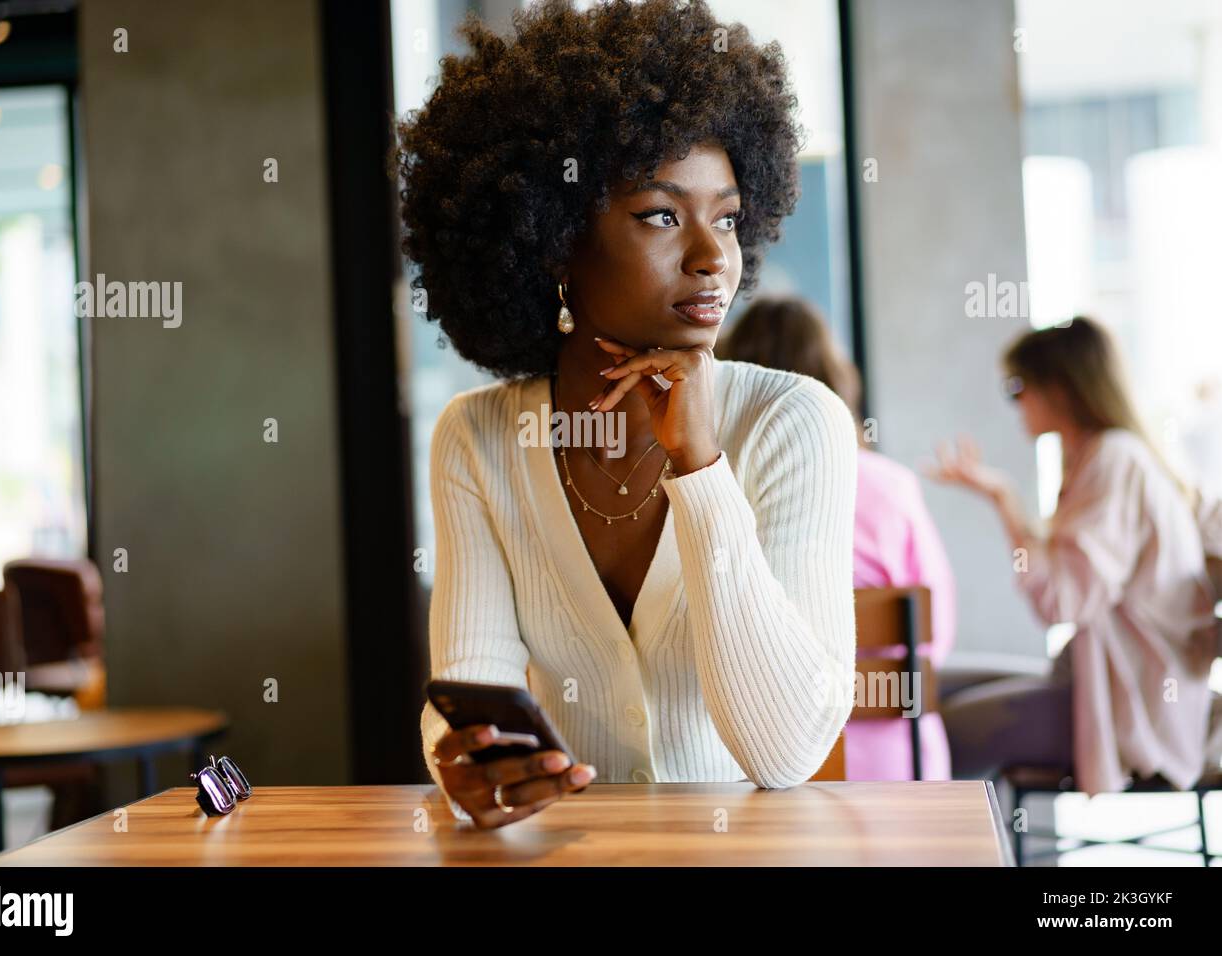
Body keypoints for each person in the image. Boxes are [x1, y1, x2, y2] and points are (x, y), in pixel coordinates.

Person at [397, 0, 857, 828]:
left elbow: (786, 751)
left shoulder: (797, 423)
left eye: (726, 217)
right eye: (661, 215)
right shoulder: (478, 438)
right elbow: (473, 691)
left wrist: (702, 467)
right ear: (553, 240)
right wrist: (466, 770)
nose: (715, 256)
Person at [928, 317, 1220, 796]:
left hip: (1128, 708)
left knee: (934, 735)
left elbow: (1061, 603)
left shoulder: (1112, 461)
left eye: (1017, 387)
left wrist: (1006, 503)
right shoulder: (1101, 457)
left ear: (1060, 386)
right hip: (1096, 681)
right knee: (925, 691)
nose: (1014, 402)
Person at [719, 297, 957, 780]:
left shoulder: (718, 484)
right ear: (837, 377)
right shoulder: (891, 486)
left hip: (759, 765)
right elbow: (939, 632)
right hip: (897, 767)